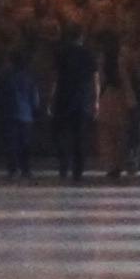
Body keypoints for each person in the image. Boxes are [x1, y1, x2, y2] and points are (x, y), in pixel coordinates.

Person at [53, 30, 96, 178]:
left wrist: (51, 97)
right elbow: (95, 78)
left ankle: (64, 165)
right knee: (80, 136)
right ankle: (78, 169)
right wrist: (96, 99)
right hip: (82, 99)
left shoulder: (61, 54)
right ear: (81, 37)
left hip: (64, 98)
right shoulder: (88, 54)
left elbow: (55, 77)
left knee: (63, 134)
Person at [92, 48, 133, 180]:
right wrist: (131, 102)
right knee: (120, 135)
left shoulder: (102, 63)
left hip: (106, 99)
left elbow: (98, 82)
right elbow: (126, 83)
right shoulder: (122, 63)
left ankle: (111, 165)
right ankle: (118, 164)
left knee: (106, 136)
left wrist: (95, 102)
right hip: (120, 99)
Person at [1, 51, 43, 178]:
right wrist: (35, 109)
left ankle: (13, 169)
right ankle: (26, 169)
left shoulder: (7, 78)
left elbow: (2, 96)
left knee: (12, 143)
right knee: (25, 143)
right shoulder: (29, 79)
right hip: (26, 115)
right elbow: (34, 97)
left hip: (10, 113)